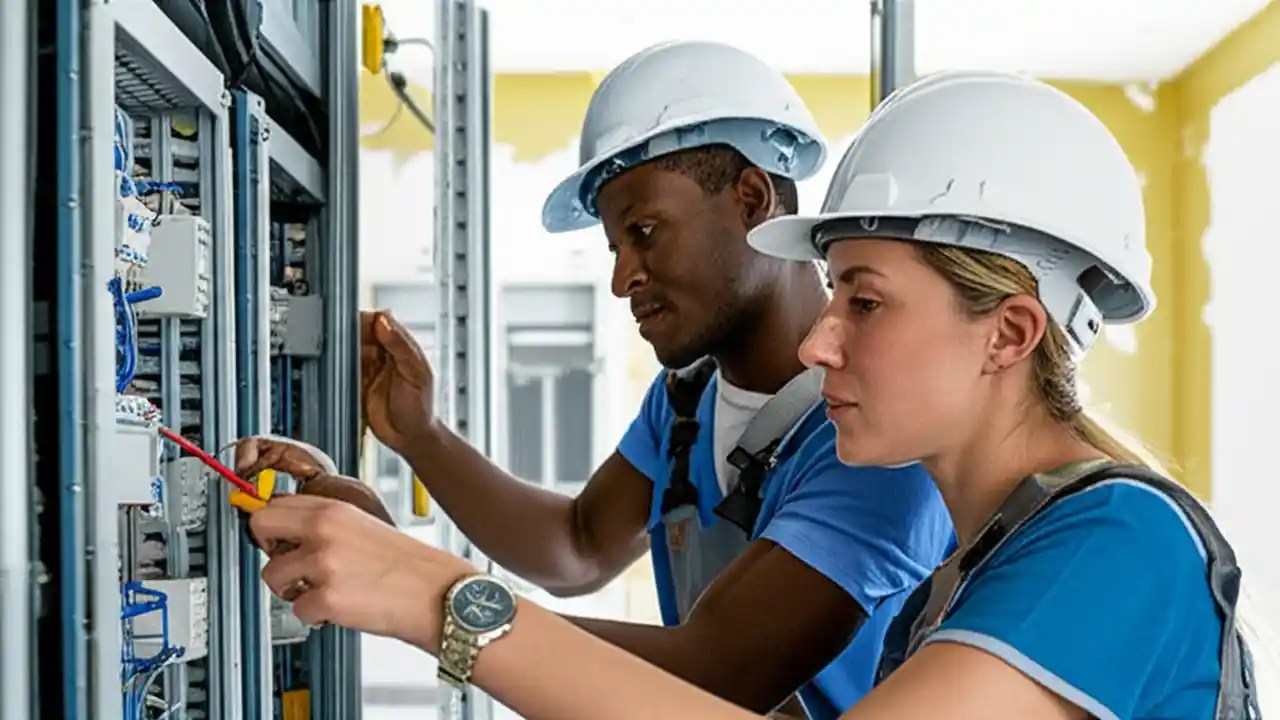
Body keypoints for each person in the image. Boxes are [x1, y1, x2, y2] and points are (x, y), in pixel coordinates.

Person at [246, 69, 1263, 720]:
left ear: (1007, 334)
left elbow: (717, 678)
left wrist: (434, 599)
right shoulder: (974, 568)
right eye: (831, 295)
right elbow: (579, 550)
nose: (821, 340)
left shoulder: (1113, 540)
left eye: (863, 302)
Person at [240, 39, 954, 718]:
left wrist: (406, 583)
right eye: (614, 246)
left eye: (643, 232)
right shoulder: (687, 400)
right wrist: (418, 438)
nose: (621, 279)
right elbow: (578, 546)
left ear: (751, 198)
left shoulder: (877, 437)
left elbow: (718, 671)